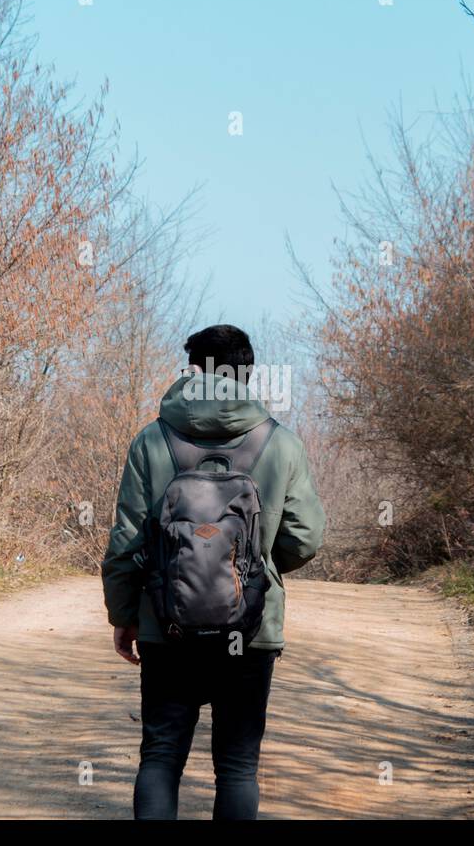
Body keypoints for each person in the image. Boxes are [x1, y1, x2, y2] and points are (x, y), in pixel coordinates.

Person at [102, 324, 326, 819]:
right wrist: (256, 567)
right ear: (247, 374)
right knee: (239, 766)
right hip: (248, 631)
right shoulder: (281, 443)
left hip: (167, 629)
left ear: (191, 371)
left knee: (161, 757)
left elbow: (126, 543)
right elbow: (306, 537)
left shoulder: (151, 440)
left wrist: (124, 614)